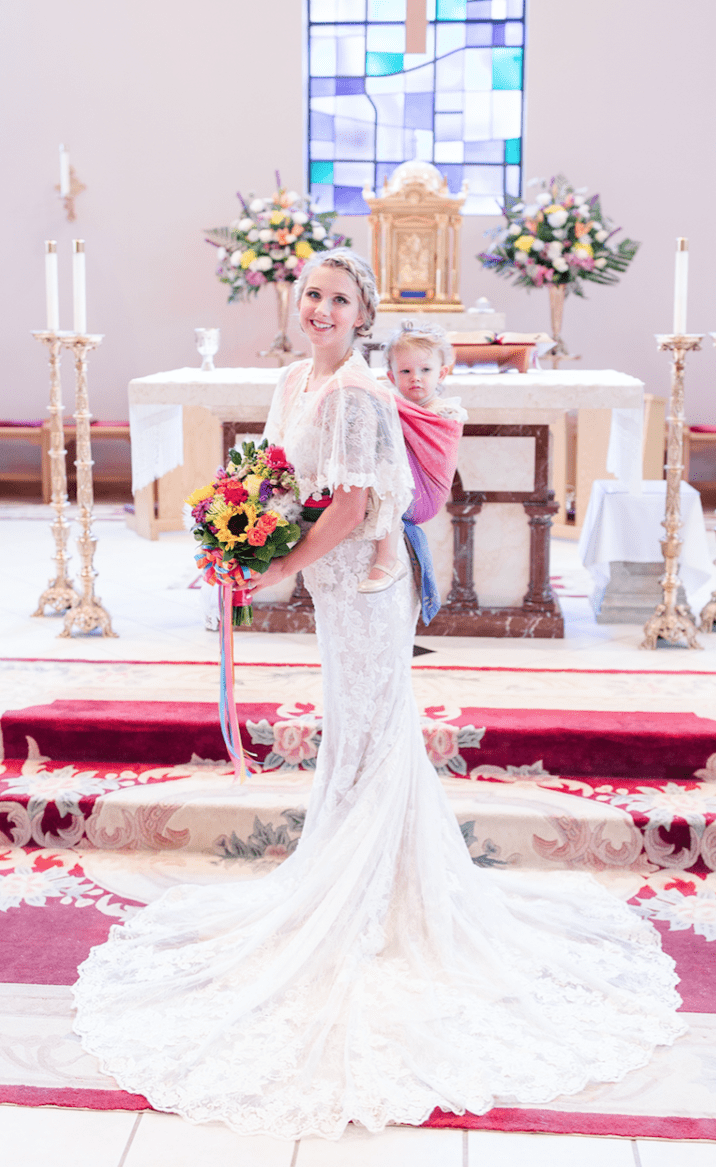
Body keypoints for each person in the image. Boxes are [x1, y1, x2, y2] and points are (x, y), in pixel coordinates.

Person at [72, 249, 685, 1141]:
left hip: (363, 586)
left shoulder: (361, 394)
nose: (321, 309)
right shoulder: (291, 378)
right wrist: (235, 529)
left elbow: (356, 507)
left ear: (364, 315)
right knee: (353, 731)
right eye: (312, 294)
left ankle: (370, 901)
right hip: (331, 590)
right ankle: (350, 875)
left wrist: (274, 564)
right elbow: (279, 475)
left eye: (339, 299)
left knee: (367, 731)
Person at [359, 320, 466, 595]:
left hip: (424, 496)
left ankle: (387, 559)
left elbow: (433, 443)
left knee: (389, 453)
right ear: (392, 377)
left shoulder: (444, 412)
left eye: (425, 370)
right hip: (401, 488)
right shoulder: (393, 404)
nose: (415, 377)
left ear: (442, 374)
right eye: (405, 370)